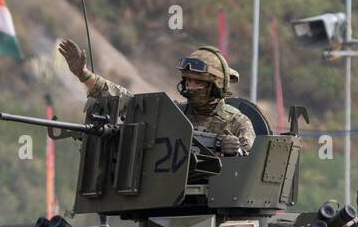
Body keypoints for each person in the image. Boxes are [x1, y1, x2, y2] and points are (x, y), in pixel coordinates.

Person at [57, 38, 255, 156]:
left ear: (215, 85)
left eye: (197, 81)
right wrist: (84, 75)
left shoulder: (237, 122)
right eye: (188, 80)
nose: (190, 86)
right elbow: (130, 103)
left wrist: (235, 152)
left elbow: (252, 169)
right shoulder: (175, 114)